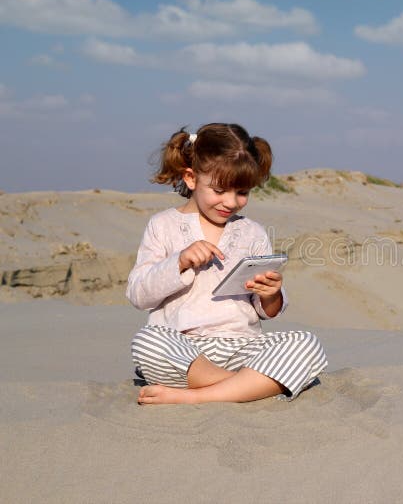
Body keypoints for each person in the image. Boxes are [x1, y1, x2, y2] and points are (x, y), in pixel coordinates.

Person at [127, 123, 327, 404]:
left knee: (307, 345)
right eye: (220, 190)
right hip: (186, 350)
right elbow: (138, 293)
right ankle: (251, 384)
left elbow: (266, 311)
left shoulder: (253, 232)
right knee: (147, 342)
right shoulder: (163, 226)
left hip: (244, 346)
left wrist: (271, 295)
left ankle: (194, 397)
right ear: (191, 178)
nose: (231, 202)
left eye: (242, 192)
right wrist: (180, 262)